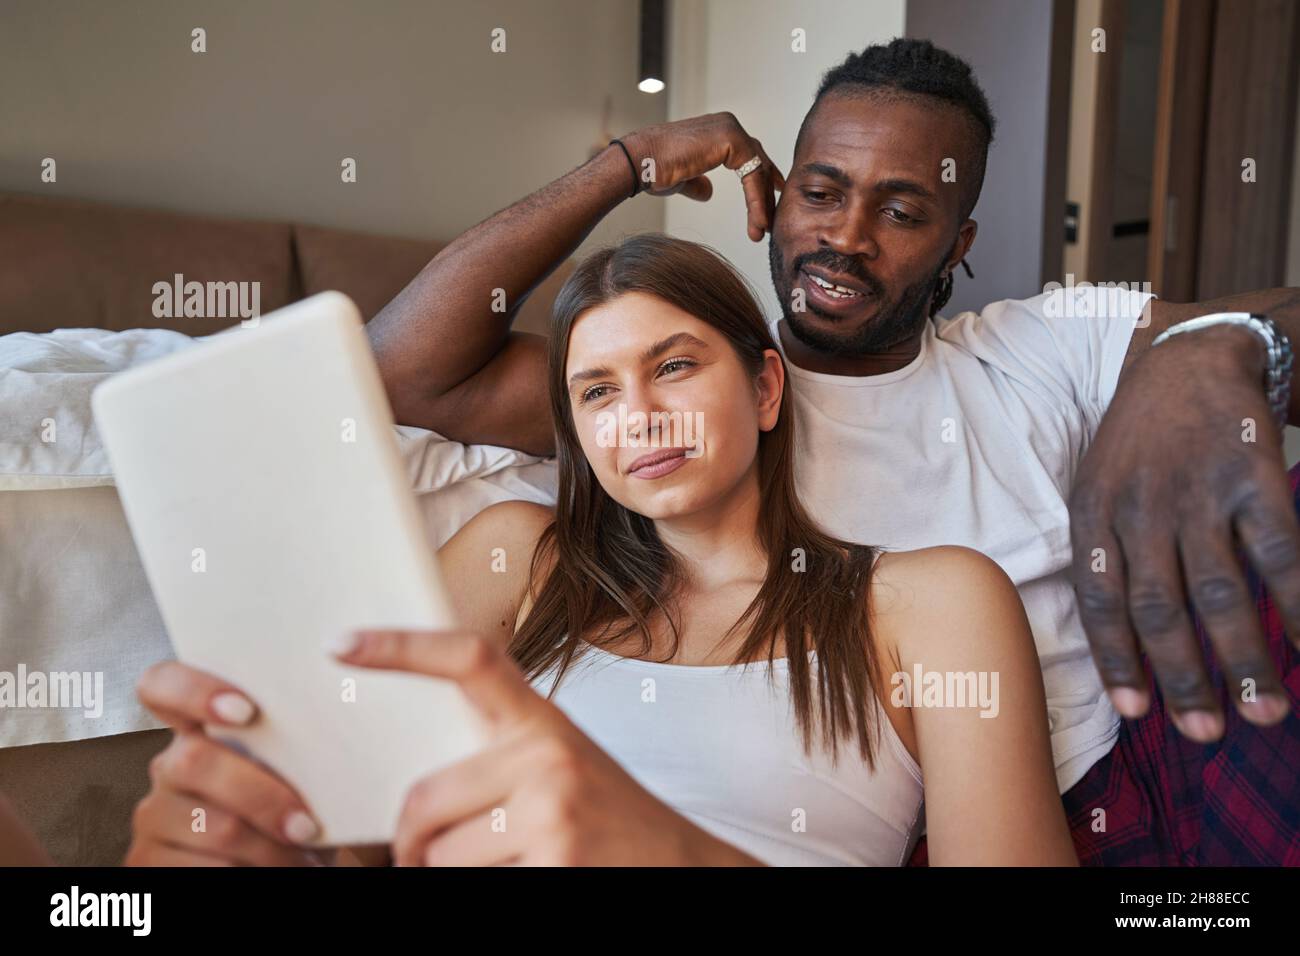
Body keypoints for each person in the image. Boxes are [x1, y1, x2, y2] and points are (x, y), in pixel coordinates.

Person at [362, 38, 1300, 864]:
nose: (845, 237)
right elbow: (401, 380)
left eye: (901, 212)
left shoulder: (1039, 347)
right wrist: (627, 162)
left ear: (958, 244)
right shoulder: (695, 381)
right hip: (867, 795)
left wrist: (1219, 347)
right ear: (774, 198)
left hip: (1093, 771)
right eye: (821, 193)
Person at [126, 233, 1075, 866]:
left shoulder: (929, 603)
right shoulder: (520, 560)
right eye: (597, 392)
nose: (640, 419)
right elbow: (353, 831)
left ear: (766, 391)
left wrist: (657, 846)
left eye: (672, 366)